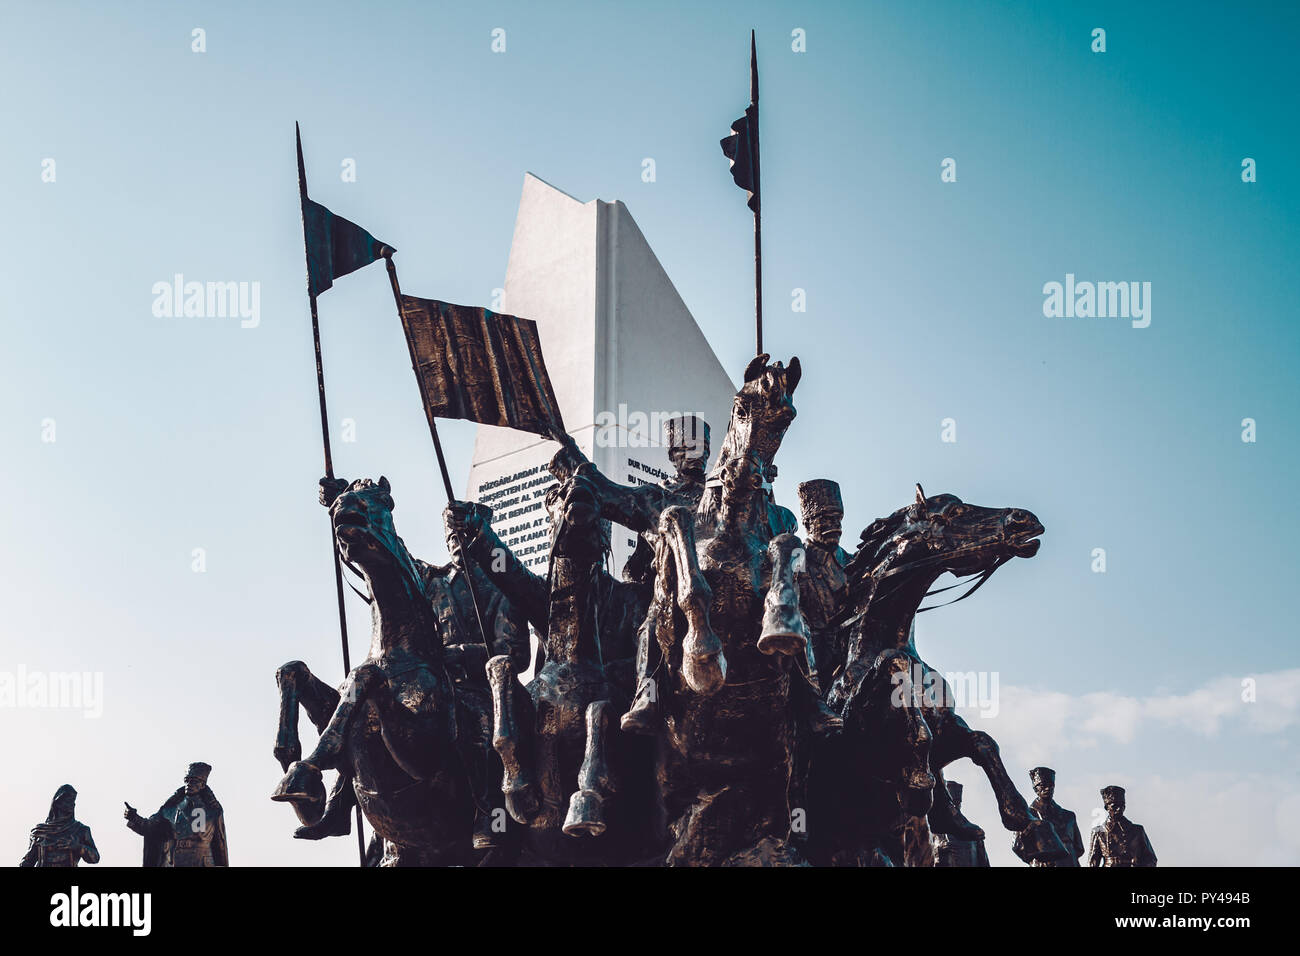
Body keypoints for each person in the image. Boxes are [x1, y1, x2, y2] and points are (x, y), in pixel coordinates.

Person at [125, 762, 229, 867]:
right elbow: (150, 827)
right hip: (175, 861)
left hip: (201, 862)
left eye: (194, 781)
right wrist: (134, 818)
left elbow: (219, 845)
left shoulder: (213, 812)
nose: (189, 784)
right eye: (187, 780)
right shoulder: (170, 809)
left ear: (202, 785)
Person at [1014, 766, 1085, 866]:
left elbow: (1079, 848)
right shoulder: (1027, 816)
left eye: (1051, 785)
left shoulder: (1069, 816)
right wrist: (1040, 857)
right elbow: (1018, 846)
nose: (1047, 788)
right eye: (1043, 785)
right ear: (1035, 788)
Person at [20, 785, 99, 867]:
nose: (72, 805)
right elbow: (28, 862)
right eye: (68, 801)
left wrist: (77, 847)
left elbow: (95, 858)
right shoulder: (40, 831)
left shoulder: (80, 830)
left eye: (73, 801)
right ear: (58, 803)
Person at [1087, 785, 1157, 867]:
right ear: (1107, 807)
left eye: (1122, 806)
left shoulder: (1137, 830)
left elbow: (1151, 859)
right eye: (1115, 806)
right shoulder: (1099, 831)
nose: (1119, 809)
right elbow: (1093, 861)